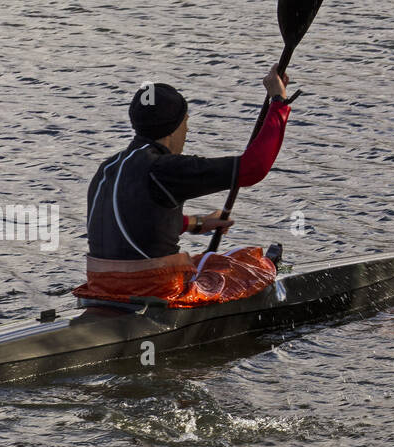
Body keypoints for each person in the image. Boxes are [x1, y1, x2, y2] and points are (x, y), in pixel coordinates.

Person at [76, 68, 293, 308]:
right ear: (175, 127)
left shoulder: (108, 169)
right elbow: (253, 168)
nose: (187, 131)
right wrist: (278, 102)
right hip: (154, 291)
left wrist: (196, 224)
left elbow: (134, 222)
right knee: (246, 262)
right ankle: (272, 270)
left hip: (101, 287)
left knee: (203, 261)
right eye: (186, 123)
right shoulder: (164, 168)